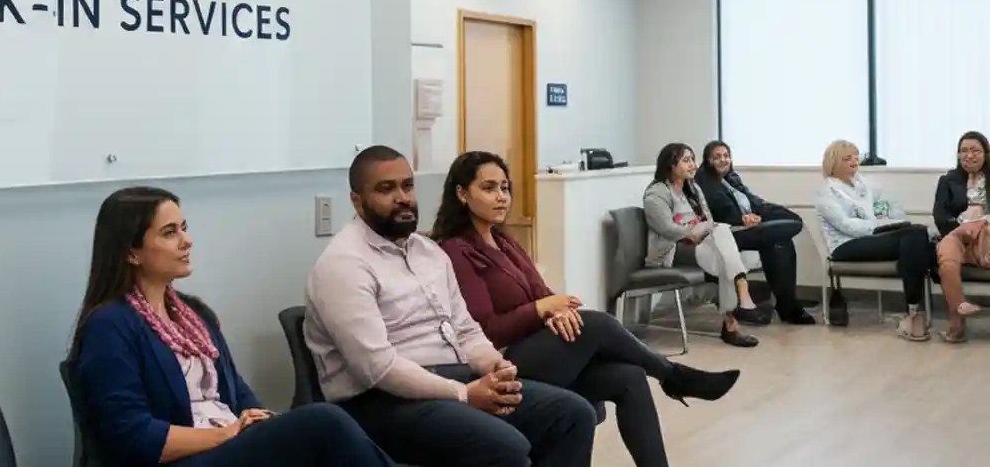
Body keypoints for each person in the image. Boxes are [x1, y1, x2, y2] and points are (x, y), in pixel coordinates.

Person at [434, 151, 741, 467]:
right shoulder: (457, 252)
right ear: (461, 193)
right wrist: (542, 309)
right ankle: (671, 374)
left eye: (505, 188)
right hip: (501, 362)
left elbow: (544, 295)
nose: (501, 197)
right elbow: (487, 329)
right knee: (596, 324)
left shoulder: (504, 241)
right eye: (489, 188)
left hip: (537, 349)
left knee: (630, 376)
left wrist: (557, 310)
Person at [304, 145, 596, 467]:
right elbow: (378, 368)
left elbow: (465, 329)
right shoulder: (343, 265)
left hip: (455, 379)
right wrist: (464, 394)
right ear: (357, 201)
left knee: (573, 414)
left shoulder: (427, 251)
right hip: (381, 402)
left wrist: (494, 365)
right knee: (506, 445)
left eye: (407, 185)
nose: (402, 197)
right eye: (386, 189)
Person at [69, 186, 394, 467]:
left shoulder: (193, 313)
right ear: (131, 253)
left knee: (319, 437)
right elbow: (130, 433)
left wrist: (261, 425)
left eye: (184, 228)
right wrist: (224, 434)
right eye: (170, 233)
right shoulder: (110, 325)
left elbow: (238, 394)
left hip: (230, 444)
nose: (187, 241)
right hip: (184, 458)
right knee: (324, 421)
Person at [644, 143, 762, 347]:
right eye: (686, 160)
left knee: (727, 248)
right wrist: (694, 232)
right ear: (670, 165)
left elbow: (707, 219)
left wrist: (705, 230)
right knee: (725, 245)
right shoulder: (657, 193)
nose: (693, 165)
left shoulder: (693, 188)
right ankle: (738, 299)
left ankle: (732, 320)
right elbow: (666, 229)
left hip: (701, 245)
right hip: (673, 250)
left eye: (692, 159)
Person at [816, 139, 933, 341]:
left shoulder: (864, 184)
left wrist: (893, 221)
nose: (854, 161)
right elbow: (846, 225)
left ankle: (912, 312)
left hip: (872, 237)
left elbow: (891, 204)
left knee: (917, 234)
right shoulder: (827, 191)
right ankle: (914, 313)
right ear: (834, 162)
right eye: (847, 158)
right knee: (916, 236)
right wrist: (879, 227)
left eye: (856, 157)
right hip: (845, 245)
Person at [695, 140, 816, 324]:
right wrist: (742, 219)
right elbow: (719, 210)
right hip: (730, 234)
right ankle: (788, 305)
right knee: (783, 232)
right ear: (708, 161)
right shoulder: (705, 182)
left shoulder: (732, 179)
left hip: (750, 225)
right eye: (717, 157)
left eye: (726, 156)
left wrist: (760, 213)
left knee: (780, 240)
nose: (723, 160)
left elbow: (752, 200)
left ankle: (788, 304)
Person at [932, 131, 990, 342]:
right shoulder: (948, 180)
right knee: (946, 252)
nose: (968, 155)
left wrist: (982, 223)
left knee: (981, 227)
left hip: (987, 236)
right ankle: (958, 314)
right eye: (963, 151)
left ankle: (956, 325)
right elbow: (940, 216)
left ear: (986, 153)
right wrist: (961, 227)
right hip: (959, 236)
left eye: (975, 150)